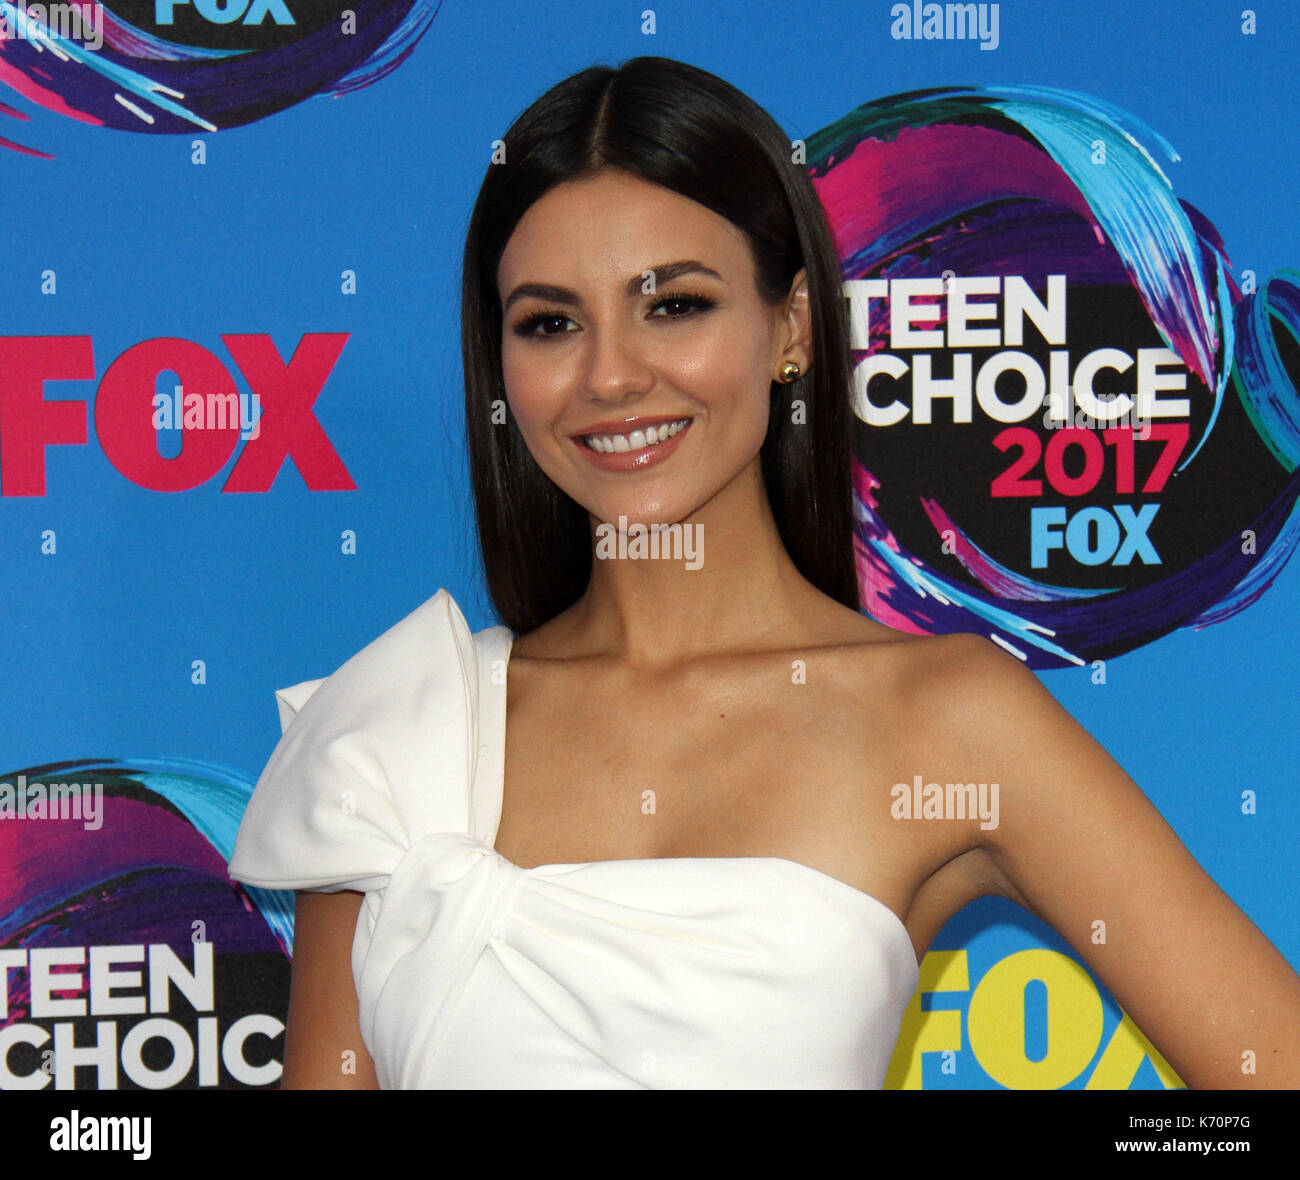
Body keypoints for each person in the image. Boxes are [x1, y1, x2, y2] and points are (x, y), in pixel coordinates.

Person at [227, 55, 1300, 1089]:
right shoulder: (394, 733)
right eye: (550, 323)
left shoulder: (949, 717)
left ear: (788, 331)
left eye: (674, 305)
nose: (609, 374)